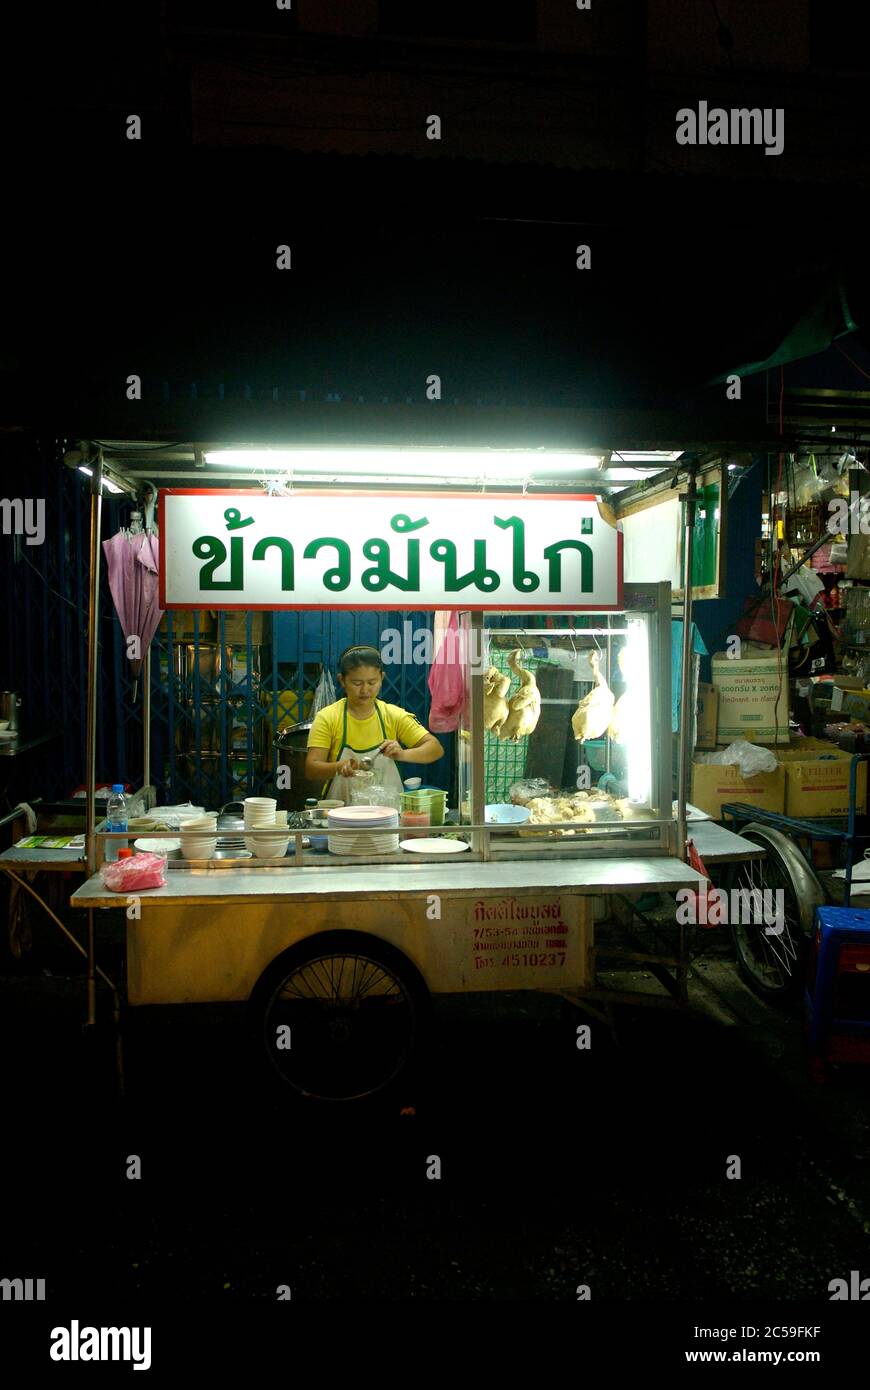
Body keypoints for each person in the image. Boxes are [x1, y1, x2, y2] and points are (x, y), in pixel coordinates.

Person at [305, 644, 444, 803]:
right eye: (357, 683)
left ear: (382, 678)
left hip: (387, 815)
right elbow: (311, 768)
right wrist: (338, 767)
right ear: (342, 680)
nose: (365, 690)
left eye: (372, 682)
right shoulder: (327, 717)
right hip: (341, 815)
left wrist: (402, 754)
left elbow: (435, 749)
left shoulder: (393, 715)